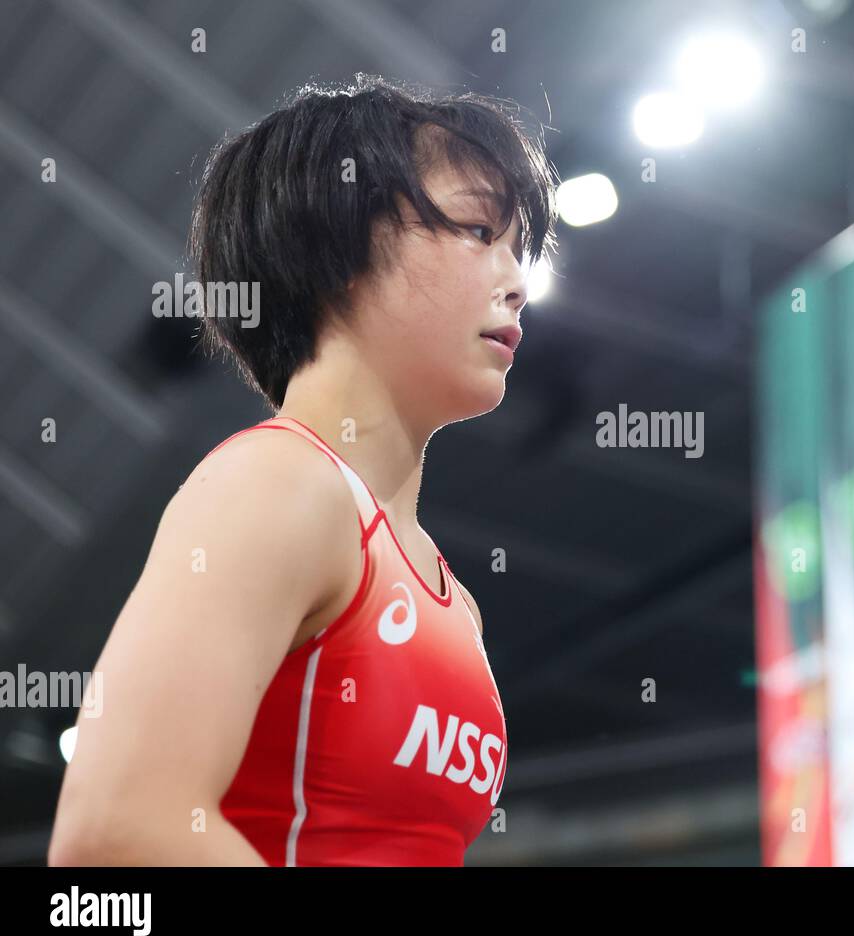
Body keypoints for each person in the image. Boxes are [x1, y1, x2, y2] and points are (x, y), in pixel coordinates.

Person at [47, 74, 559, 866]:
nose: (518, 282)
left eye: (518, 247)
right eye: (477, 229)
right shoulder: (277, 485)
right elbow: (116, 833)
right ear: (338, 249)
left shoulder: (455, 602)